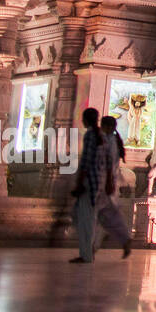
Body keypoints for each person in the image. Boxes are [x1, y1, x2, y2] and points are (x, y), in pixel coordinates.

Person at [69, 108, 106, 263]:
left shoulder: (91, 135)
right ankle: (88, 250)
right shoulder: (101, 136)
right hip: (97, 180)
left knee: (85, 218)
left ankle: (86, 254)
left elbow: (86, 161)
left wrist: (80, 181)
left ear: (86, 119)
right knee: (86, 216)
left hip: (89, 181)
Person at [94, 116, 133, 258]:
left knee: (102, 214)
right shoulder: (110, 140)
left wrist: (109, 182)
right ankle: (124, 239)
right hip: (106, 182)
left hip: (105, 183)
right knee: (106, 214)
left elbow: (109, 163)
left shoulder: (109, 142)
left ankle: (93, 246)